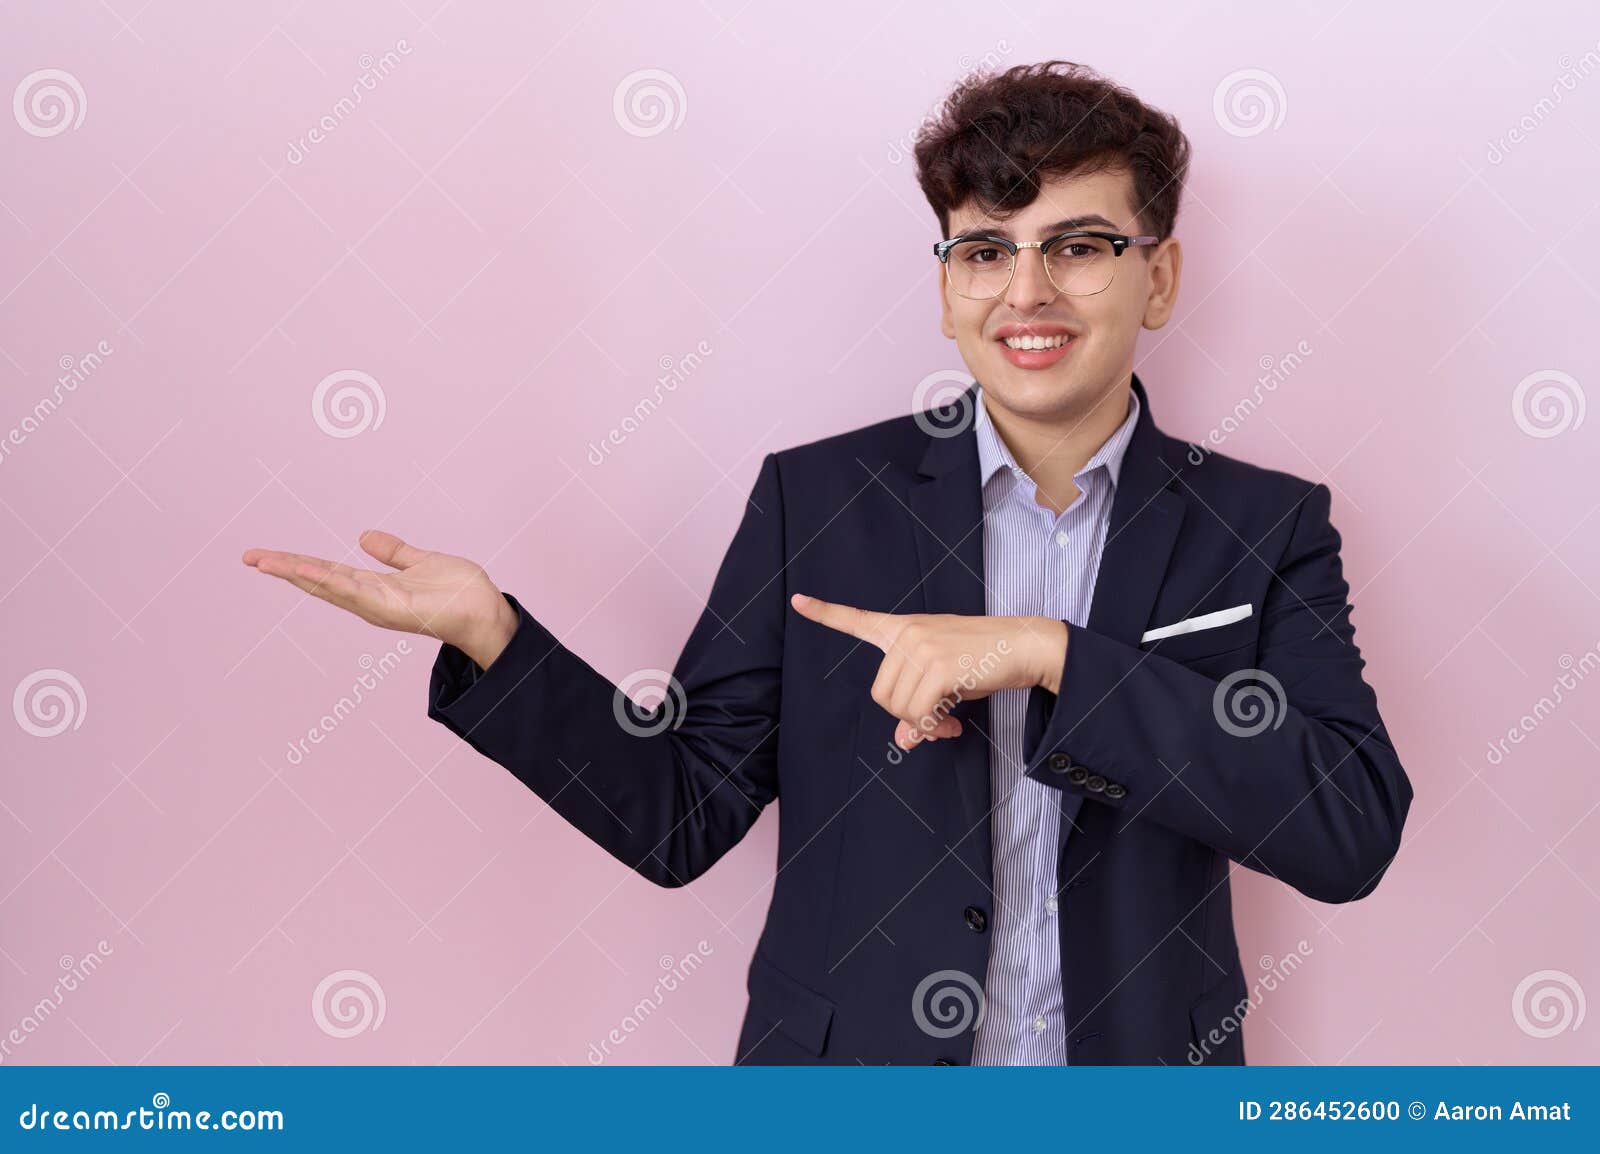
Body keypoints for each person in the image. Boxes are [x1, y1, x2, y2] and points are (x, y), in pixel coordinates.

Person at [243, 60, 1412, 1065]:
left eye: (1081, 245)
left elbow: (1348, 829)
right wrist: (497, 638)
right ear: (946, 286)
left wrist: (1053, 654)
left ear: (1157, 276)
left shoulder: (1263, 527)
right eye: (984, 250)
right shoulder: (820, 502)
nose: (1027, 291)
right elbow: (679, 813)